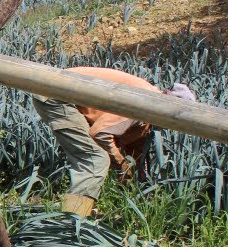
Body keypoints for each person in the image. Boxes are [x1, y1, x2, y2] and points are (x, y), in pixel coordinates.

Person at [32, 67, 197, 216]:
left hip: (59, 91)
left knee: (97, 157)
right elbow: (100, 134)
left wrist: (136, 178)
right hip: (56, 95)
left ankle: (76, 215)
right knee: (95, 159)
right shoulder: (144, 105)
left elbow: (134, 146)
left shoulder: (150, 106)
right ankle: (72, 220)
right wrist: (121, 166)